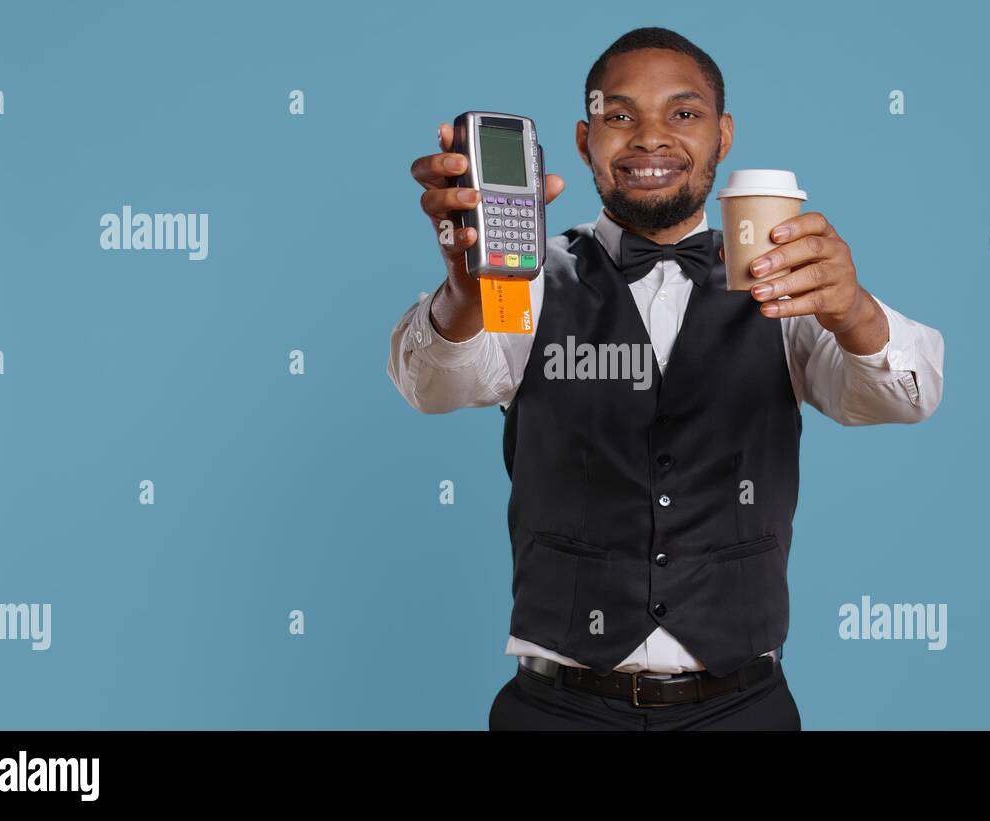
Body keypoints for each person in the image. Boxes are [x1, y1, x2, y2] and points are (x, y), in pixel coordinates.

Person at [388, 27, 945, 730]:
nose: (651, 138)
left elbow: (911, 393)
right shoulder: (528, 279)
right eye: (620, 116)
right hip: (556, 707)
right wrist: (464, 290)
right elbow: (432, 385)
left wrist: (854, 309)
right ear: (585, 140)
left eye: (684, 113)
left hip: (744, 707)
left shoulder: (788, 282)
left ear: (724, 134)